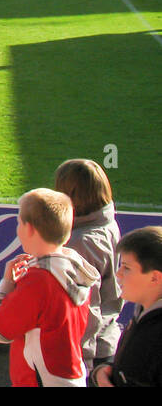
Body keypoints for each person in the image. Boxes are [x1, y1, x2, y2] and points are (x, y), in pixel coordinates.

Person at [0, 188, 98, 387]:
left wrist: (7, 284)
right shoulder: (73, 268)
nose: (18, 228)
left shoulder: (38, 281)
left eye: (19, 222)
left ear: (29, 229)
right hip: (70, 376)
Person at [54, 159, 122, 373]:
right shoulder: (105, 223)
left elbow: (87, 307)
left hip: (87, 353)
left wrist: (82, 362)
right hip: (105, 340)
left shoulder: (80, 243)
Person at [91, 226, 162, 387]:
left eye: (127, 268)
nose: (119, 273)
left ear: (154, 278)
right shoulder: (144, 313)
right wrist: (105, 371)